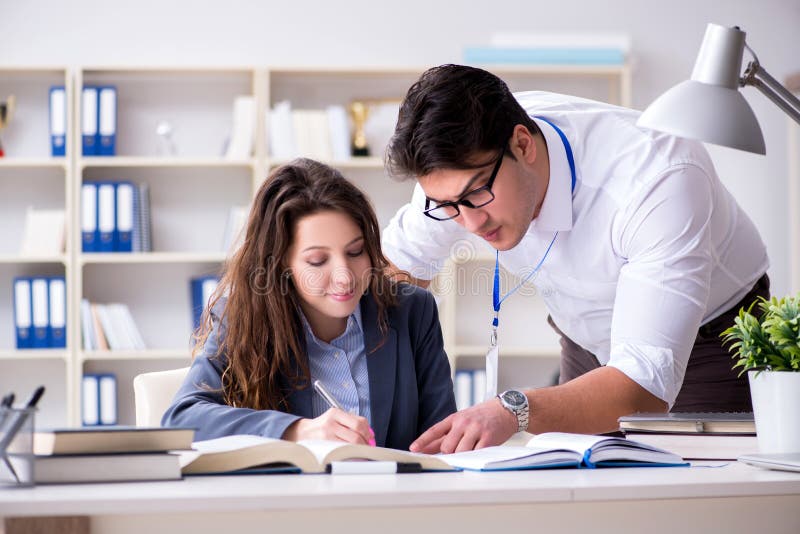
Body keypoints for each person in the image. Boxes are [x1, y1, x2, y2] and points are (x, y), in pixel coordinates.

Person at [381, 64, 770, 454]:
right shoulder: (453, 178)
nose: (470, 222)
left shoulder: (658, 178)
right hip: (584, 339)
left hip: (712, 342)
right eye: (448, 206)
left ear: (522, 145)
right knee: (580, 492)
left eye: (477, 195)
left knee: (698, 499)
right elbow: (394, 274)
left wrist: (512, 408)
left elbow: (644, 387)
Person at [163, 159, 456, 449]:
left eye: (355, 251)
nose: (344, 278)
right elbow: (180, 419)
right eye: (317, 261)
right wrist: (297, 431)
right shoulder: (244, 318)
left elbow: (440, 440)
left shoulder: (413, 311)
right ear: (281, 265)